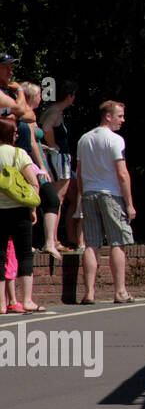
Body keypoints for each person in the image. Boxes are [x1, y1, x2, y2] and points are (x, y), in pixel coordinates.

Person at [77, 101, 136, 304]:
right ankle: (120, 291)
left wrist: (81, 195)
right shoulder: (115, 140)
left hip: (89, 194)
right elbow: (122, 174)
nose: (123, 120)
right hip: (111, 194)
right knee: (117, 242)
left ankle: (89, 292)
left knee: (91, 244)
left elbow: (80, 173)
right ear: (108, 116)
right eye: (120, 116)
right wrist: (129, 204)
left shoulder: (84, 140)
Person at [0, 114, 45, 313]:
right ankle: (27, 300)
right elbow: (34, 183)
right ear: (12, 134)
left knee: (0, 256)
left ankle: (1, 303)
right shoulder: (20, 155)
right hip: (19, 210)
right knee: (25, 254)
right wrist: (33, 208)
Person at [17, 82, 64, 259]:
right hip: (32, 165)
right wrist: (42, 167)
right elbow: (30, 143)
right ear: (31, 96)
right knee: (50, 199)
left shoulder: (32, 115)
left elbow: (35, 142)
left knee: (41, 202)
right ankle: (48, 243)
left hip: (37, 161)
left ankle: (43, 242)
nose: (41, 98)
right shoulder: (26, 116)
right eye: (39, 94)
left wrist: (44, 147)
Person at [39, 80, 79, 252]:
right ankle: (53, 239)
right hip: (59, 159)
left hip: (58, 160)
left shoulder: (54, 110)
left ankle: (57, 237)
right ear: (69, 96)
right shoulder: (55, 111)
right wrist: (53, 145)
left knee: (64, 198)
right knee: (58, 199)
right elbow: (46, 128)